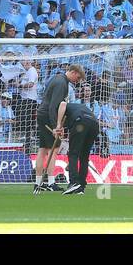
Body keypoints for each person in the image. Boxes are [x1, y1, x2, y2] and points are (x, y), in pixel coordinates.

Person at [33, 63, 85, 191]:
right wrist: (55, 126)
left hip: (42, 114)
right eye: (77, 78)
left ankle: (38, 183)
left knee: (42, 149)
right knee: (53, 150)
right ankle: (50, 183)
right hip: (47, 117)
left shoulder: (57, 79)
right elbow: (53, 106)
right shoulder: (62, 83)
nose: (77, 81)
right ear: (73, 72)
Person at [57, 99, 100, 195]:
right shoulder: (77, 108)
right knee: (84, 157)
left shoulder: (64, 106)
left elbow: (62, 103)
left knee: (73, 153)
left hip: (81, 121)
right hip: (94, 124)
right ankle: (81, 186)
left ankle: (74, 183)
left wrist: (59, 125)